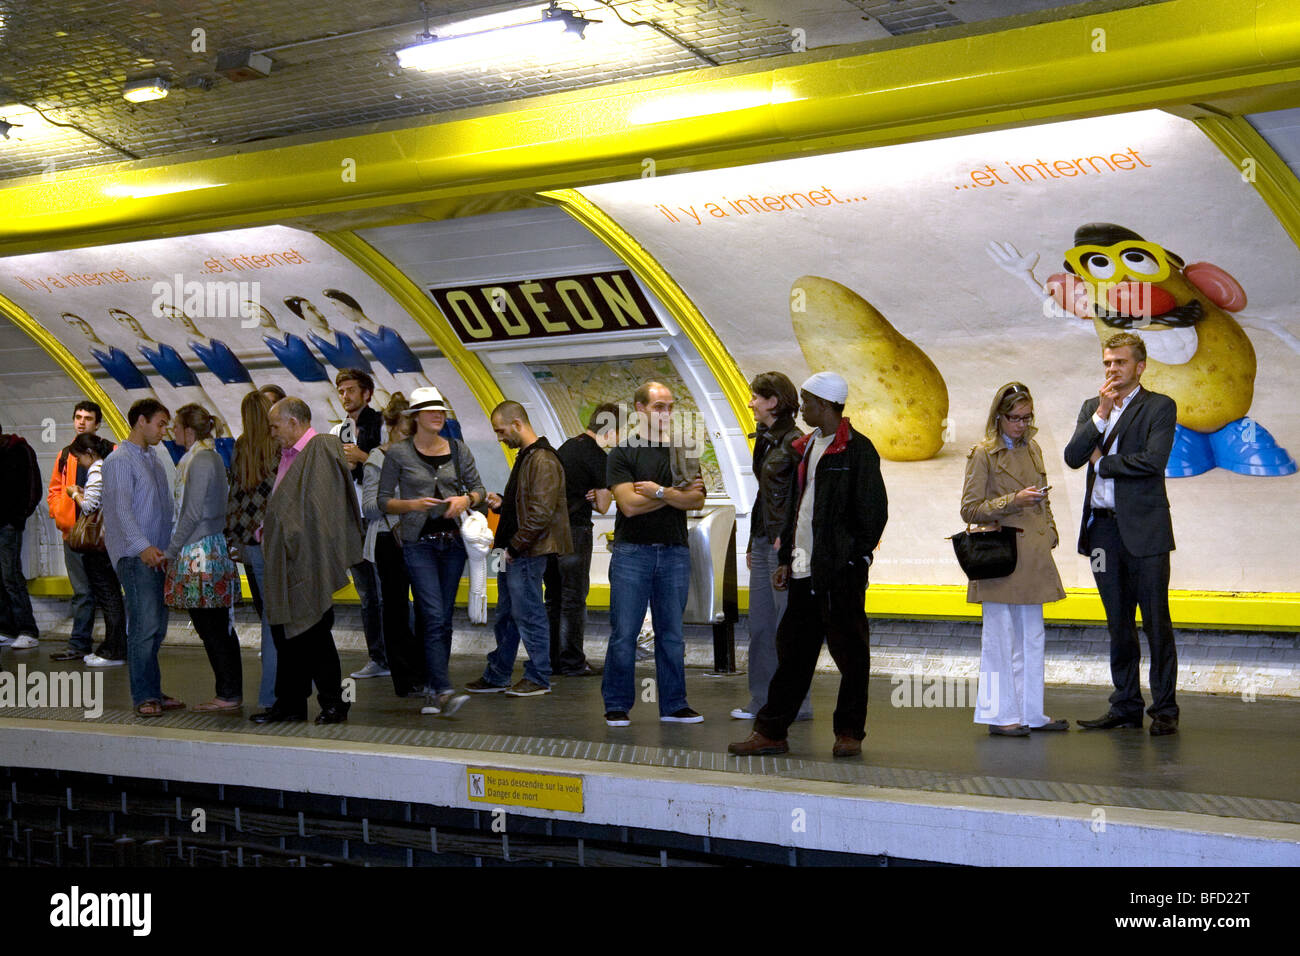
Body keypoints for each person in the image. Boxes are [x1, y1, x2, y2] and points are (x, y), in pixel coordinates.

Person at [729, 372, 887, 758]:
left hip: (839, 573)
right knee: (793, 653)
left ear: (826, 405)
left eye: (808, 400)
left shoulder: (858, 450)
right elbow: (794, 510)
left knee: (851, 655)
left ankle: (849, 732)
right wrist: (786, 558)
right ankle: (771, 731)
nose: (803, 407)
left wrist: (856, 557)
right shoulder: (806, 446)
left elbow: (874, 512)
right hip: (803, 571)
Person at [1064, 332, 1180, 736]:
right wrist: (1099, 416)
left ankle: (1164, 708)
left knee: (1155, 622)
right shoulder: (1090, 408)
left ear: (1140, 366)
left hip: (1146, 531)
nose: (1112, 369)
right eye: (1108, 363)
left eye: (1120, 363)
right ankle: (1125, 704)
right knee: (1118, 622)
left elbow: (1153, 462)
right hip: (1103, 532)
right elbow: (1073, 457)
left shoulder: (1159, 407)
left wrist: (1105, 461)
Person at [960, 383, 1067, 736]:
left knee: (1032, 637)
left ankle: (1029, 711)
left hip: (1033, 555)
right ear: (999, 417)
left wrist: (1050, 531)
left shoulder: (1033, 448)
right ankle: (997, 714)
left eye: (1027, 417)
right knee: (998, 641)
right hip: (1000, 559)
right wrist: (1012, 501)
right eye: (1015, 418)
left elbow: (1045, 497)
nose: (1022, 425)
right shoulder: (983, 454)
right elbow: (969, 510)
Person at [602, 381, 706, 727]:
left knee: (672, 634)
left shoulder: (683, 451)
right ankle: (617, 704)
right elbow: (628, 506)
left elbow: (697, 500)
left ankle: (674, 704)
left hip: (674, 551)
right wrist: (674, 494)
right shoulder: (623, 453)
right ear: (641, 408)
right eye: (659, 406)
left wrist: (660, 491)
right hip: (633, 552)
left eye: (670, 406)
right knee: (624, 632)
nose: (666, 413)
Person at [378, 386, 486, 717]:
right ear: (416, 417)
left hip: (453, 543)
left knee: (442, 617)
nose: (438, 415)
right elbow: (382, 502)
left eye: (441, 410)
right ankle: (442, 690)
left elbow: (479, 489)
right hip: (417, 543)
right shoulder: (397, 454)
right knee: (434, 614)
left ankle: (432, 686)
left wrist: (465, 500)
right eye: (431, 411)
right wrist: (412, 504)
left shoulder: (457, 449)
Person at [254, 397, 361, 724]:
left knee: (315, 635)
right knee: (287, 635)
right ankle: (290, 704)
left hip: (308, 558)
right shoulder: (287, 456)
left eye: (275, 426)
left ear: (293, 421)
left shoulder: (321, 451)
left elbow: (322, 512)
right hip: (283, 558)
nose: (272, 433)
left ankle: (337, 703)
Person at [467, 401, 571, 697]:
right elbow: (530, 506)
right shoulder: (528, 457)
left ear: (517, 424)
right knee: (507, 614)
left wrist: (514, 546)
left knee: (528, 613)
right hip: (513, 550)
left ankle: (538, 676)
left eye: (501, 431)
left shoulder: (542, 460)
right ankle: (498, 673)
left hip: (524, 552)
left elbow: (540, 513)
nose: (500, 437)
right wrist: (504, 502)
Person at [731, 372, 812, 723]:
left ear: (773, 402)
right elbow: (764, 495)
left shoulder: (797, 443)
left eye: (755, 398)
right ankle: (762, 699)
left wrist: (788, 540)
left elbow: (802, 497)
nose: (750, 403)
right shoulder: (764, 439)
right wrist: (752, 539)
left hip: (785, 547)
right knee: (762, 625)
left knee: (787, 626)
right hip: (765, 541)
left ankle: (796, 703)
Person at [102, 398, 178, 717]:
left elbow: (165, 508)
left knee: (157, 626)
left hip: (156, 555)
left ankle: (154, 690)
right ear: (141, 422)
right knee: (144, 625)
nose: (164, 431)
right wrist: (143, 546)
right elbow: (120, 511)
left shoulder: (155, 460)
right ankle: (143, 695)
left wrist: (167, 549)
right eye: (160, 424)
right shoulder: (120, 461)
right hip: (136, 557)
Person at [164, 404, 243, 712]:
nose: (172, 432)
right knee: (215, 626)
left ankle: (228, 693)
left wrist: (172, 551)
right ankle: (228, 691)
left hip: (201, 552)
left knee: (213, 627)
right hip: (208, 547)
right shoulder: (206, 457)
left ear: (189, 431)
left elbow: (193, 512)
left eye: (176, 426)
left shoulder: (200, 461)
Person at [544, 402, 619, 677]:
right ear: (610, 430)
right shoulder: (598, 456)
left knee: (553, 598)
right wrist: (599, 492)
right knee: (574, 599)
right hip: (576, 532)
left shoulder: (566, 447)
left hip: (550, 533)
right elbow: (602, 504)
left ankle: (552, 659)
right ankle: (572, 661)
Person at [362, 393, 427, 700]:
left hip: (418, 536)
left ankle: (426, 669)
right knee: (397, 610)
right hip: (390, 539)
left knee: (428, 606)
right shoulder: (379, 458)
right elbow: (370, 506)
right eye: (405, 431)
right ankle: (405, 676)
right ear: (391, 426)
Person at [330, 368, 388, 680]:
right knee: (367, 592)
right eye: (341, 391)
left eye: (351, 390)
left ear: (367, 393)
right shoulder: (340, 429)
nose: (345, 397)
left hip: (378, 517)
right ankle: (378, 656)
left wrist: (362, 457)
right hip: (353, 518)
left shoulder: (382, 425)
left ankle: (393, 654)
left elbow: (394, 466)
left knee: (385, 590)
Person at [226, 390, 281, 711]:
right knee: (288, 614)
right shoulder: (280, 446)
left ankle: (270, 693)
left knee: (268, 616)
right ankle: (299, 682)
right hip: (279, 539)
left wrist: (232, 538)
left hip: (250, 541)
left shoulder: (242, 446)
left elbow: (234, 497)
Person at [48, 401, 111, 661]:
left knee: (107, 592)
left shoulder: (110, 451)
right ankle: (79, 644)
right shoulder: (65, 454)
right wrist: (61, 516)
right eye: (78, 417)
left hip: (103, 537)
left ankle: (113, 642)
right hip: (73, 534)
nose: (81, 422)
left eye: (87, 418)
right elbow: (54, 489)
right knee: (82, 592)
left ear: (98, 423)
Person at [64, 434, 127, 665]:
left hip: (99, 544)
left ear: (89, 454)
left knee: (107, 595)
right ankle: (116, 645)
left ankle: (113, 650)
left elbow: (90, 506)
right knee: (112, 596)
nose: (79, 462)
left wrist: (75, 494)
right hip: (112, 542)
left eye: (79, 457)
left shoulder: (96, 470)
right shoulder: (109, 466)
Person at [0, 420, 41, 652]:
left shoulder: (19, 450)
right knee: (3, 577)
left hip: (8, 525)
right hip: (6, 523)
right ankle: (6, 627)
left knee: (11, 576)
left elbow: (33, 487)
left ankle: (28, 629)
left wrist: (18, 518)